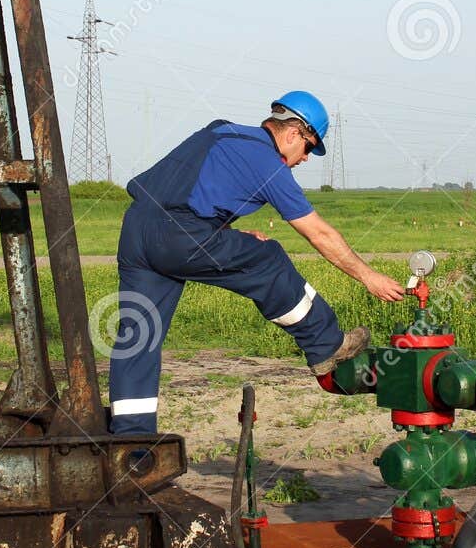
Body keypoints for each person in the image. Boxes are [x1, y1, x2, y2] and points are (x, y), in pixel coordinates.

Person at [106, 91, 405, 435]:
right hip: (180, 235)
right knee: (270, 260)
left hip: (137, 231)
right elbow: (319, 234)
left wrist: (221, 231)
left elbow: (193, 188)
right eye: (309, 147)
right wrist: (368, 276)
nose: (306, 159)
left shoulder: (221, 131)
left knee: (138, 336)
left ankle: (132, 442)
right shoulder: (268, 165)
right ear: (294, 133)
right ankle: (325, 343)